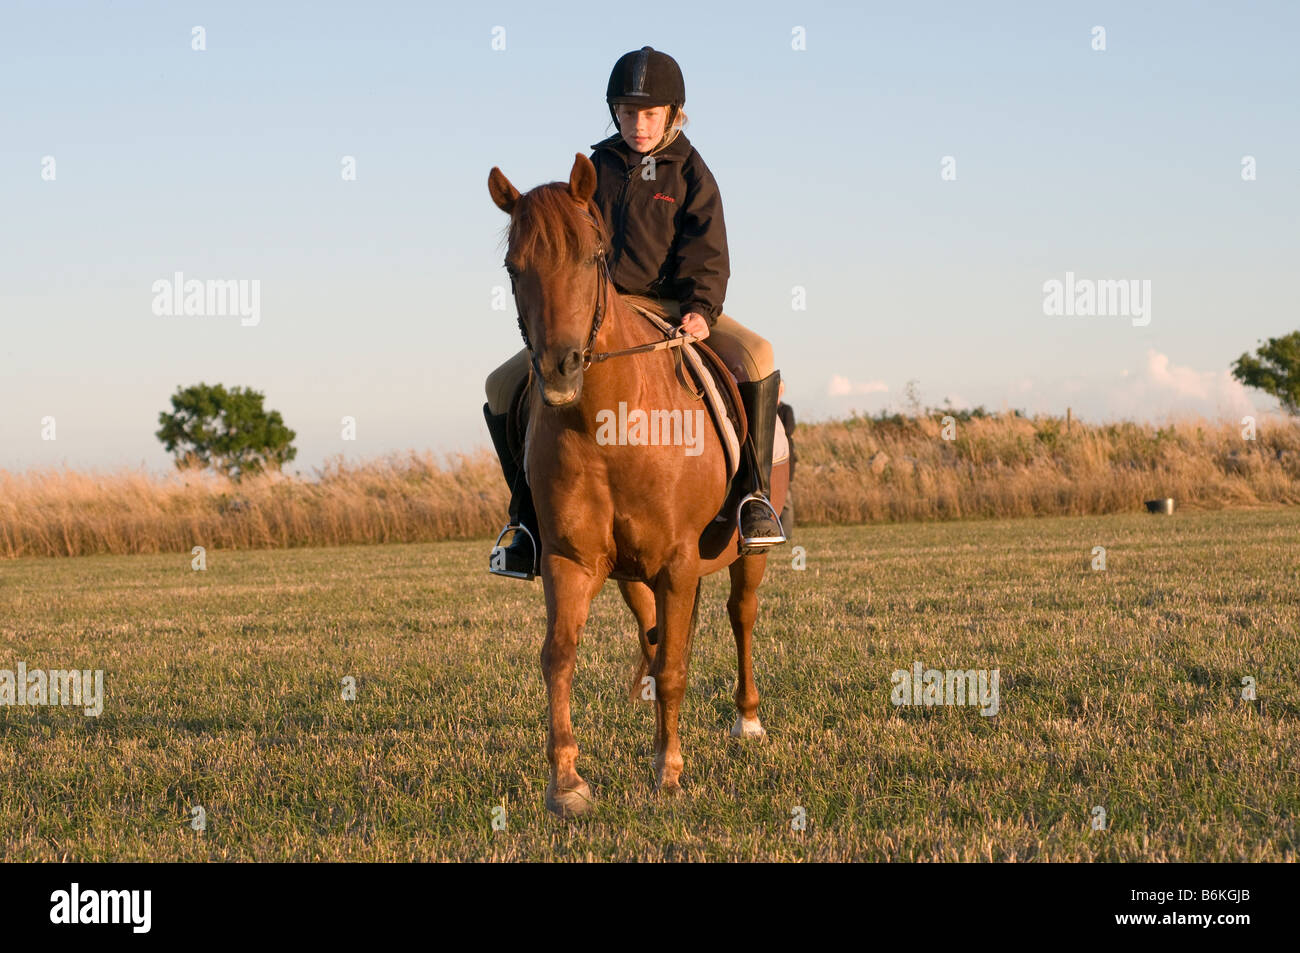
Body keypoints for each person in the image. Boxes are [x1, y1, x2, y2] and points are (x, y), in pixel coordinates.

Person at [483, 45, 785, 579]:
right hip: (605, 311)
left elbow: (710, 251)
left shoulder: (691, 171)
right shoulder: (595, 166)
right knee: (502, 385)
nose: (638, 124)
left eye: (648, 114)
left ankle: (751, 497)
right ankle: (526, 521)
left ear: (673, 113)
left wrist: (701, 310)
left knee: (759, 357)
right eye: (627, 113)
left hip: (678, 308)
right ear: (613, 112)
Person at [777, 380, 796, 536]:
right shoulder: (767, 409)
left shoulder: (786, 410)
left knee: (787, 498)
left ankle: (787, 533)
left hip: (786, 458)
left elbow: (789, 430)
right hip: (771, 459)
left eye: (779, 388)